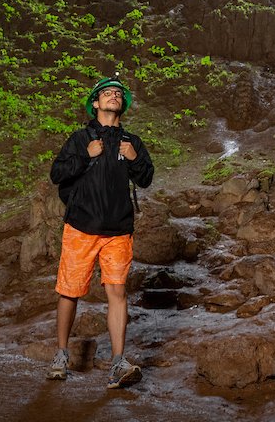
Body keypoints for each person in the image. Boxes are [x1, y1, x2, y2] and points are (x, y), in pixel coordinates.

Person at [47, 76, 154, 388]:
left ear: (123, 104)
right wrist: (86, 155)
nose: (113, 96)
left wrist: (134, 159)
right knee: (70, 291)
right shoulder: (81, 139)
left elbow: (146, 178)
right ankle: (61, 355)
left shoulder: (131, 142)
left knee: (117, 292)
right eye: (106, 93)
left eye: (118, 93)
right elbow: (57, 173)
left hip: (118, 229)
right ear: (95, 103)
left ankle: (118, 363)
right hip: (81, 227)